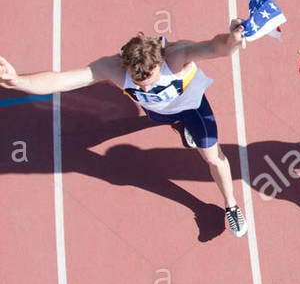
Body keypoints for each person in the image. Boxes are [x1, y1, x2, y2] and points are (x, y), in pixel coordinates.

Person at [0, 24, 248, 236]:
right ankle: (179, 126)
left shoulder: (178, 53)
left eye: (150, 82)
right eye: (140, 85)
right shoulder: (113, 68)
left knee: (211, 157)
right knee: (161, 114)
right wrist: (19, 81)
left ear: (159, 64)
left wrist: (233, 40)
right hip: (157, 111)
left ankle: (231, 206)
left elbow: (216, 47)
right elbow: (62, 79)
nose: (147, 89)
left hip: (191, 107)